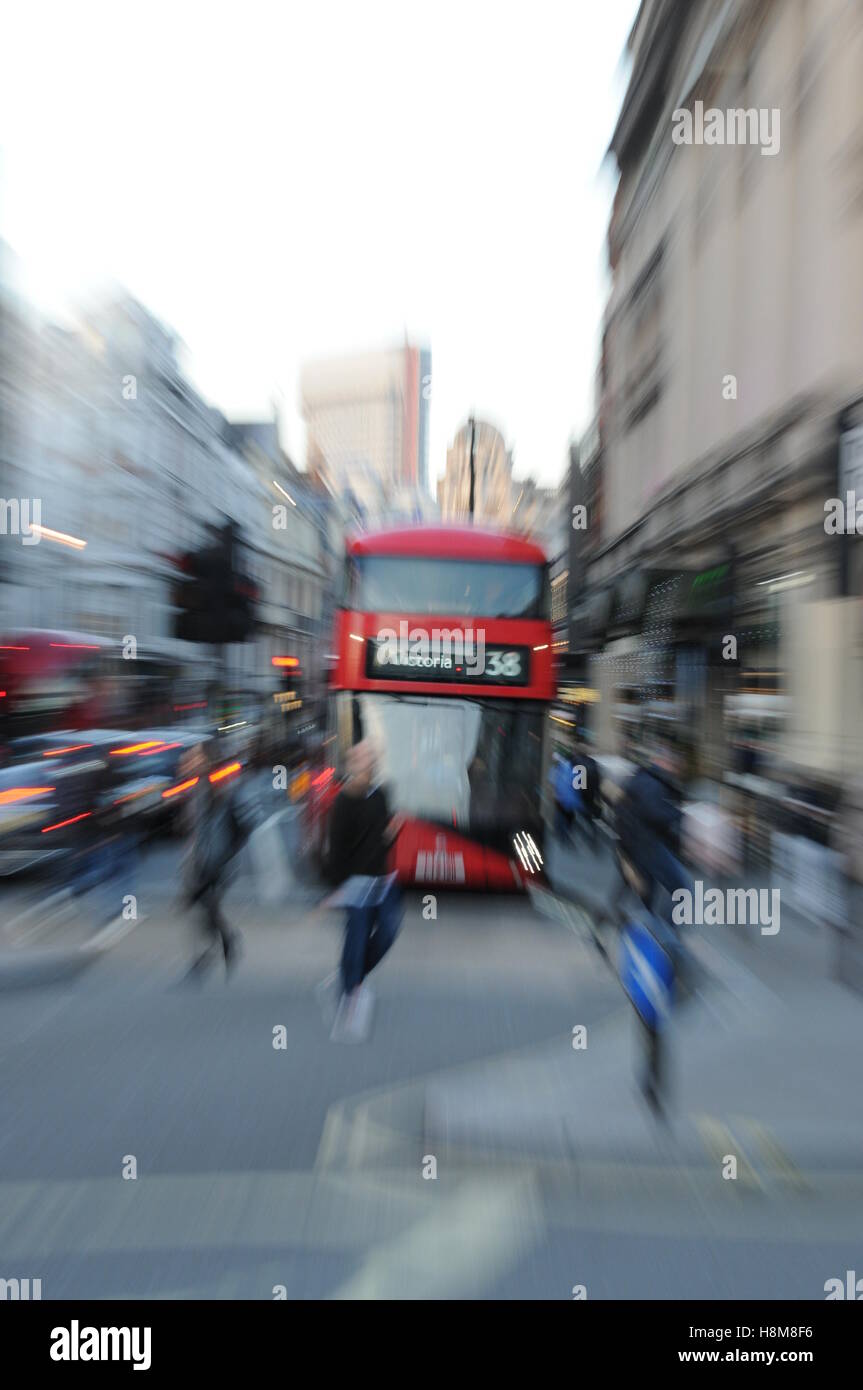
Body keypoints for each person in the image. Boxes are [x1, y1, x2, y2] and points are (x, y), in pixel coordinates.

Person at [318, 739, 404, 1043]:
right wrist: (336, 887)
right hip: (356, 883)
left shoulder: (381, 795)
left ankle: (347, 979)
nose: (367, 761)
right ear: (354, 763)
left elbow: (381, 839)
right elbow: (336, 849)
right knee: (355, 941)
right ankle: (349, 1000)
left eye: (371, 756)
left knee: (390, 930)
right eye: (361, 756)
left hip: (383, 880)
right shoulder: (344, 801)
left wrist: (392, 835)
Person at [181, 742, 251, 981]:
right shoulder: (200, 787)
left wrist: (226, 854)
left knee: (204, 907)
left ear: (207, 760)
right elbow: (199, 827)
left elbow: (243, 825)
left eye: (195, 758)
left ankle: (216, 950)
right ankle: (225, 944)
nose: (190, 762)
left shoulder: (221, 787)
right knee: (204, 909)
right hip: (204, 860)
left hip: (219, 863)